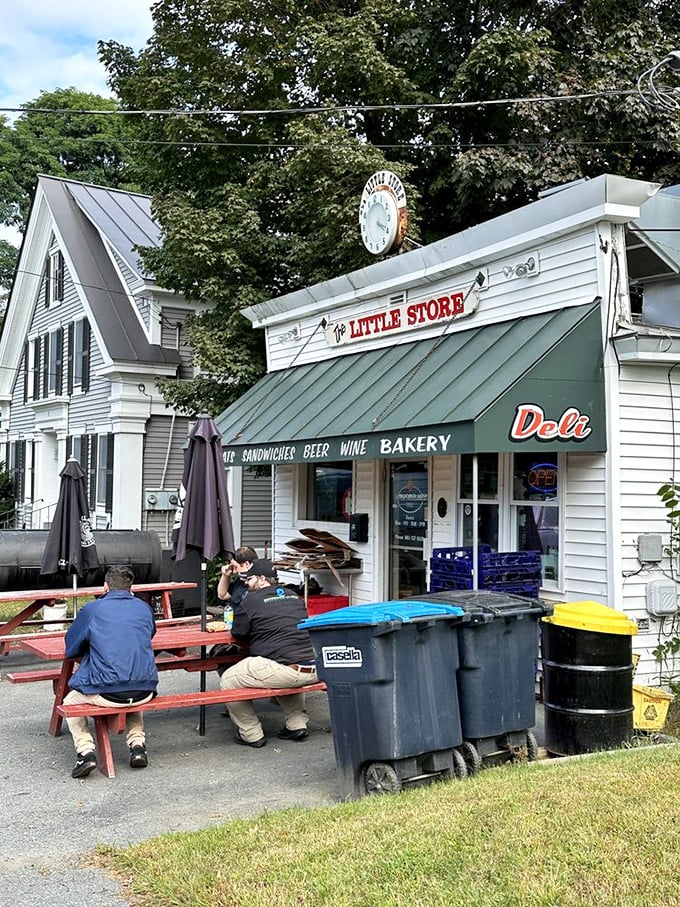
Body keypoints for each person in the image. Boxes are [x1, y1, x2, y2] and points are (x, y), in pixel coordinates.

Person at [62, 564, 158, 778]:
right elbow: (149, 633)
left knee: (70, 701)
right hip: (145, 690)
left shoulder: (93, 609)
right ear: (131, 588)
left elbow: (71, 647)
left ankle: (85, 752)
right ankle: (137, 745)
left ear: (105, 586)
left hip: (108, 693)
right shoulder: (144, 608)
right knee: (132, 687)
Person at [219, 558, 318, 748]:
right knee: (284, 662)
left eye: (249, 579)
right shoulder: (294, 597)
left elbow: (238, 633)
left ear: (262, 579)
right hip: (313, 667)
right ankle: (297, 724)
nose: (246, 583)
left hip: (285, 670)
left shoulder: (250, 601)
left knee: (228, 679)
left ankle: (251, 733)